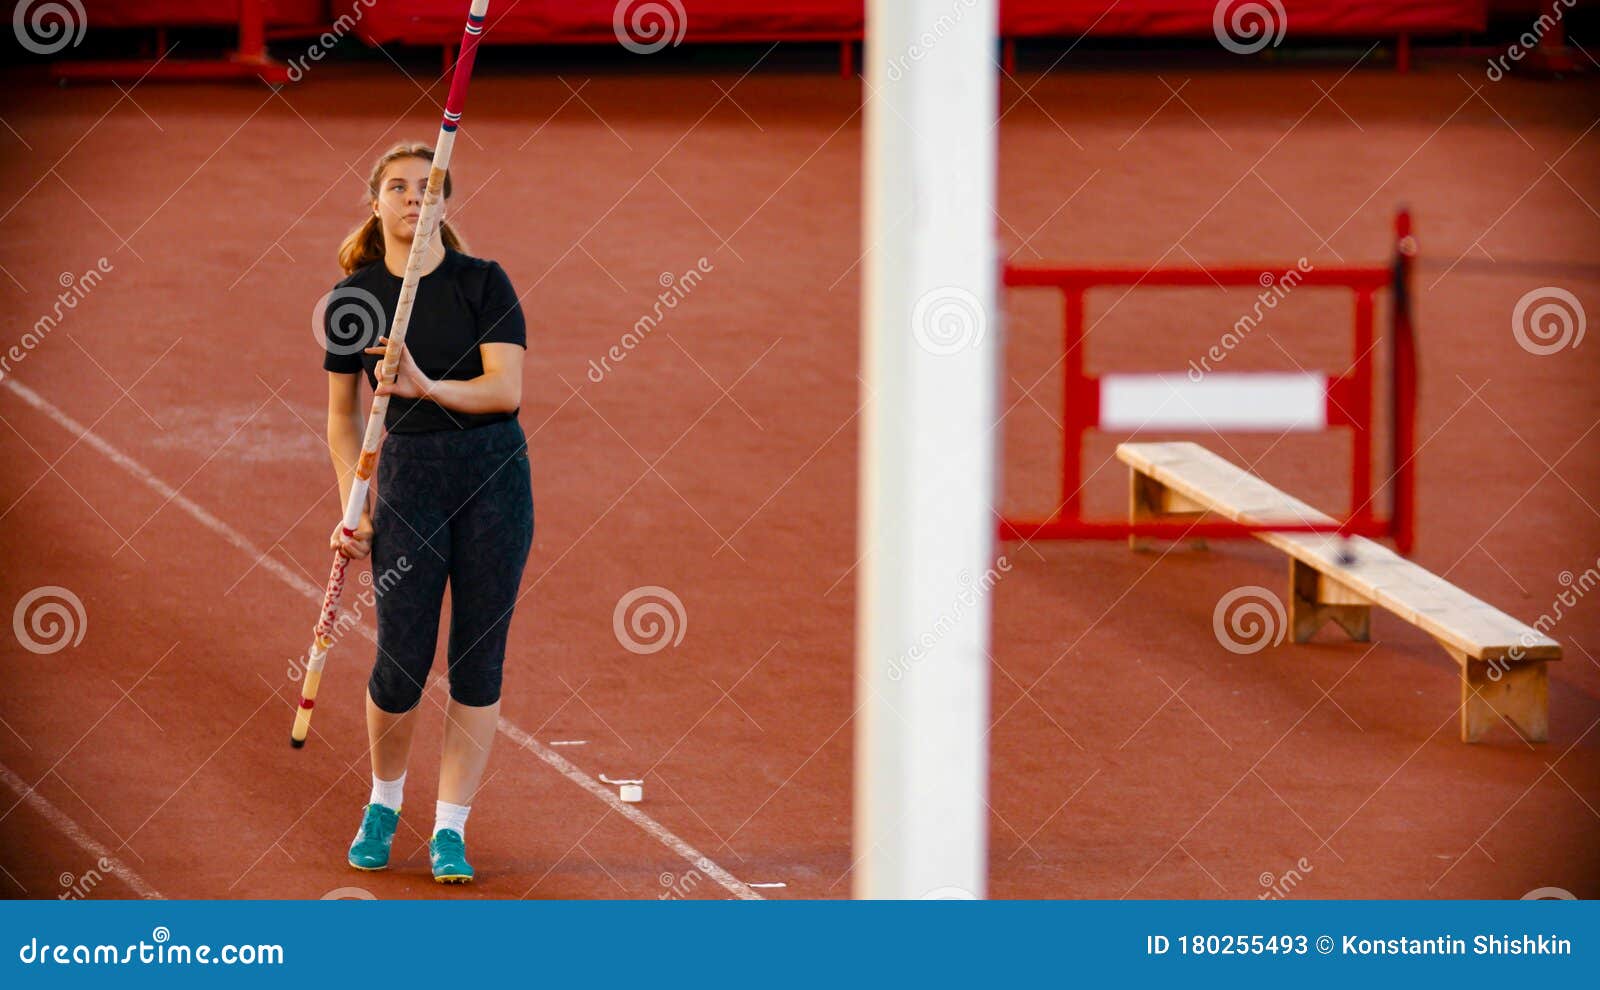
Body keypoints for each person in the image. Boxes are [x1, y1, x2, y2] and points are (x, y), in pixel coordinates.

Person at [321, 142, 533, 884]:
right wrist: (355, 500)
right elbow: (343, 420)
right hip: (408, 482)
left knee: (478, 660)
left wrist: (419, 382)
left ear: (446, 204)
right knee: (401, 662)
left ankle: (450, 828)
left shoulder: (484, 282)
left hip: (493, 477)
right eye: (401, 187)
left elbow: (504, 393)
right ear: (376, 203)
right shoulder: (355, 297)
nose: (417, 197)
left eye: (431, 187)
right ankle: (383, 804)